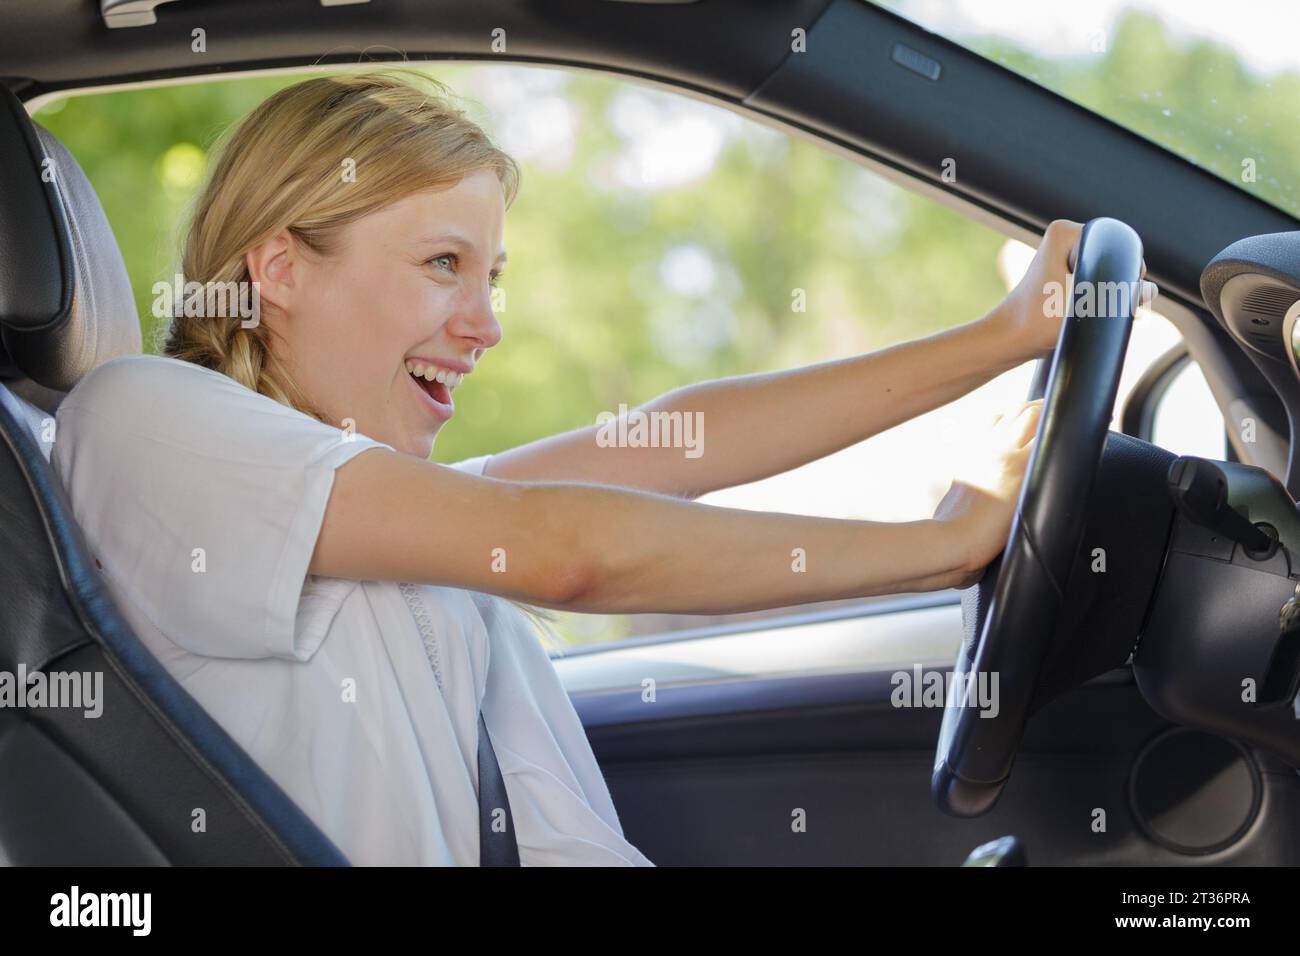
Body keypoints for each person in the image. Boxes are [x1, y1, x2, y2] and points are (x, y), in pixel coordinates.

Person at [52, 70, 1082, 866]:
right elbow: (565, 551)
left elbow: (675, 446)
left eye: (491, 276)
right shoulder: (146, 417)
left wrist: (998, 337)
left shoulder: (364, 497)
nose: (487, 325)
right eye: (441, 264)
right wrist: (939, 548)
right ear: (277, 270)